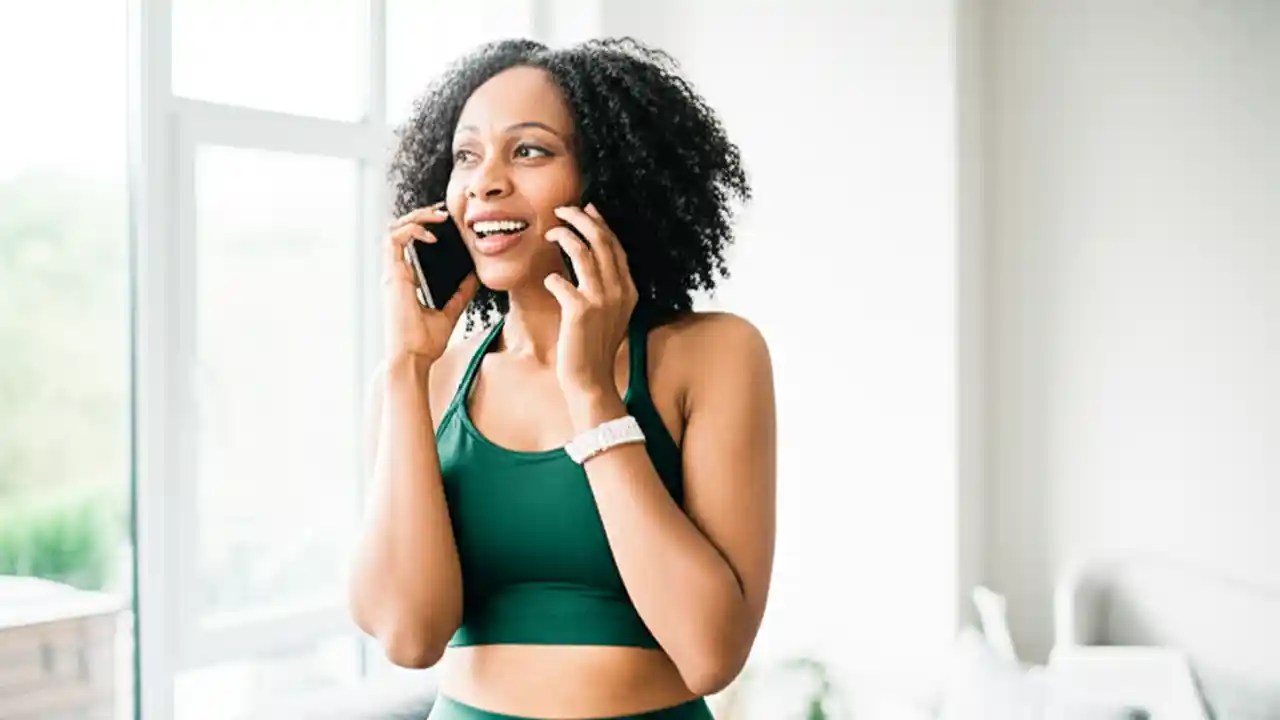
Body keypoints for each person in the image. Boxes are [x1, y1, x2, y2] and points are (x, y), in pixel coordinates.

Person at [348, 37, 776, 720]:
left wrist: (593, 398)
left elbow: (709, 653)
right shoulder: (419, 382)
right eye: (467, 155)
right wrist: (406, 367)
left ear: (609, 180)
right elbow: (409, 634)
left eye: (529, 151)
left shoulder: (713, 356)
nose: (485, 180)